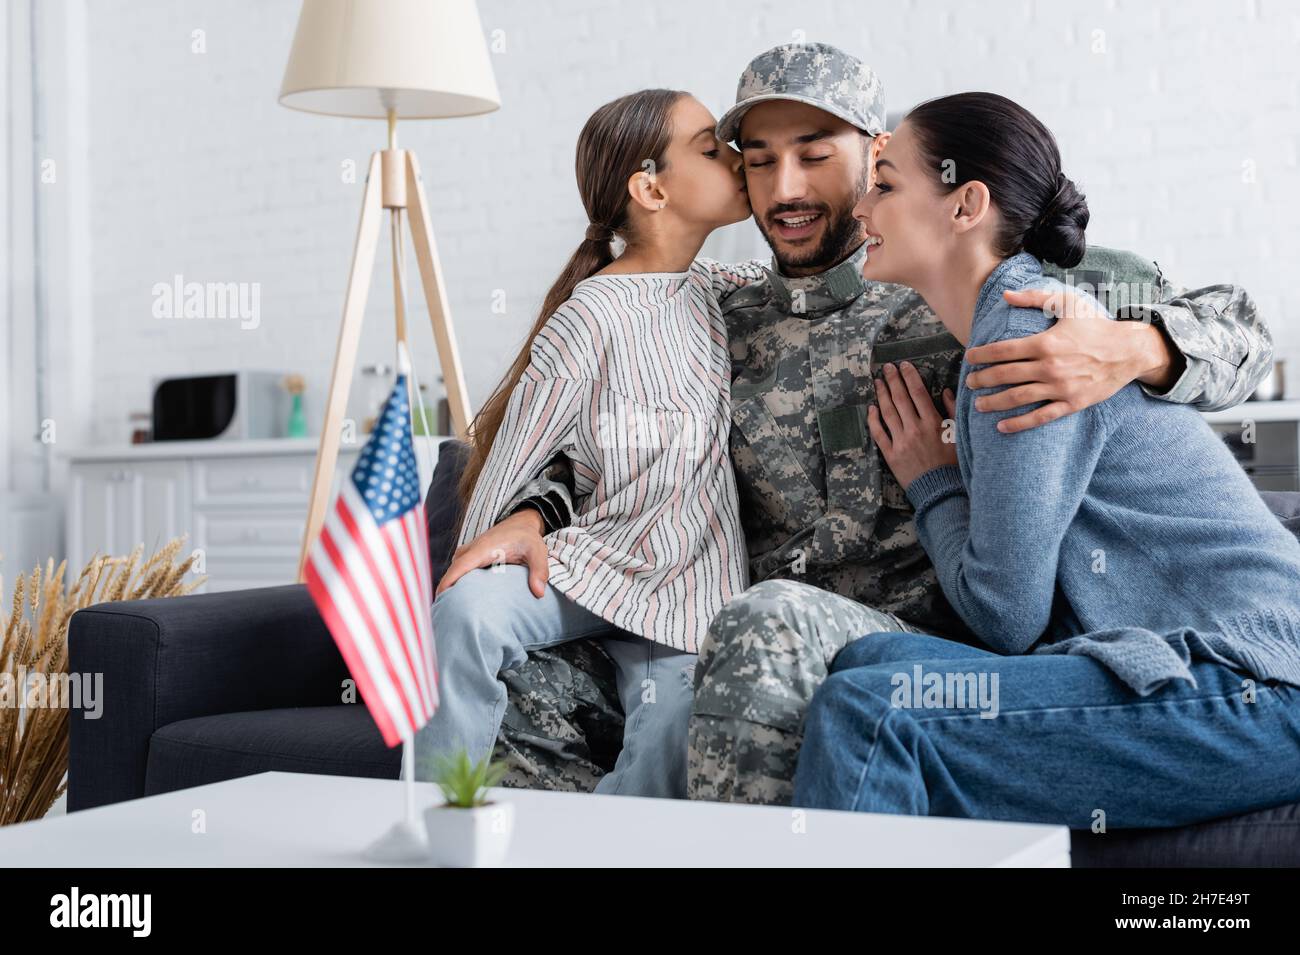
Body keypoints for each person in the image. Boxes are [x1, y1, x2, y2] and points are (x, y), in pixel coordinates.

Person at [444, 43, 1275, 801]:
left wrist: (1137, 346)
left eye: (816, 155)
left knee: (762, 630)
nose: (787, 189)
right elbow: (608, 429)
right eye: (760, 163)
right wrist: (535, 510)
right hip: (737, 643)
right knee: (528, 689)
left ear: (876, 156)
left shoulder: (967, 282)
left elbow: (1242, 325)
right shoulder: (711, 312)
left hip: (929, 649)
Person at [789, 91, 1300, 825]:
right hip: (1200, 670)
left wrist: (933, 486)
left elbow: (1005, 616)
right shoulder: (1009, 318)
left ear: (965, 205)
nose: (860, 207)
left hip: (1254, 679)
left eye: (887, 184)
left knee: (873, 710)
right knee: (866, 666)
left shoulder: (1025, 334)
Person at [414, 88, 765, 799]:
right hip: (593, 563)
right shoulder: (591, 316)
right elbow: (513, 458)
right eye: (709, 146)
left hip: (696, 590)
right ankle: (436, 818)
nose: (735, 157)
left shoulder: (726, 292)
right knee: (464, 615)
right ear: (650, 187)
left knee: (671, 732)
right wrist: (495, 538)